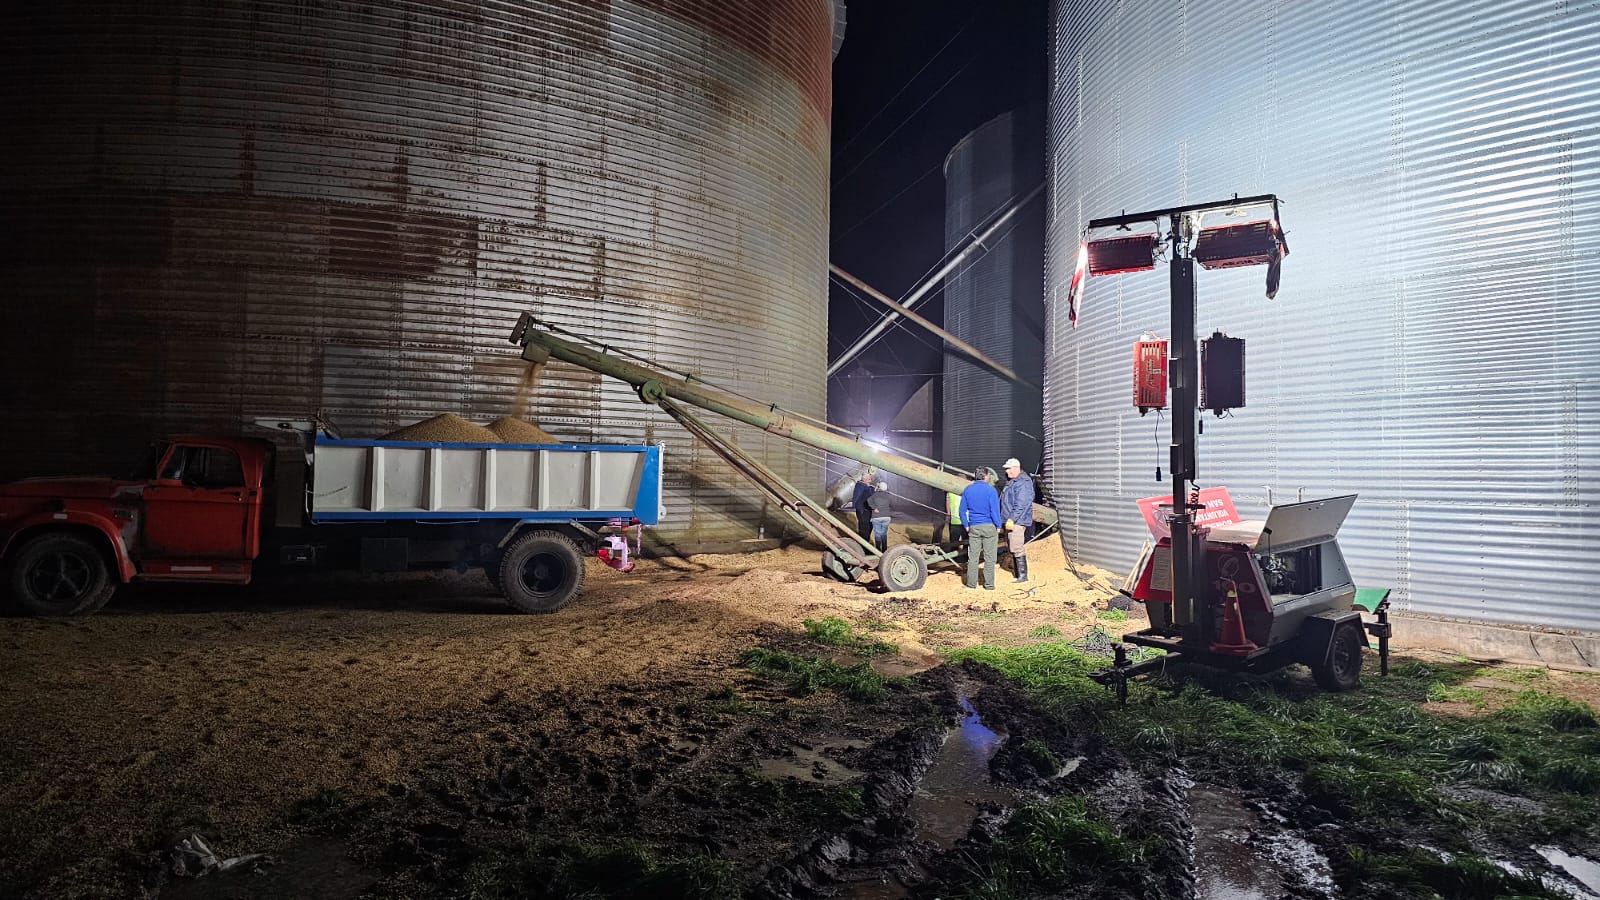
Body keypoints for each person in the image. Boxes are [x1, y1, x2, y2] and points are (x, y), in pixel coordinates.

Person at [958, 466, 1003, 591]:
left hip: (974, 527)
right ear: (986, 476)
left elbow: (961, 511)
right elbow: (995, 511)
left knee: (973, 557)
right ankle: (989, 585)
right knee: (990, 558)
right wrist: (998, 525)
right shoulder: (991, 491)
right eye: (989, 476)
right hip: (989, 527)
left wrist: (966, 525)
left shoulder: (968, 490)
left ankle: (971, 584)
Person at [1000, 457, 1035, 583]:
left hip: (1017, 521)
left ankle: (1023, 576)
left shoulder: (1023, 482)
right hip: (1012, 520)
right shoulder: (1014, 481)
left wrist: (1012, 519)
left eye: (1008, 469)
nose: (1006, 472)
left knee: (1017, 546)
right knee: (1012, 547)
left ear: (1016, 468)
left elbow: (1021, 504)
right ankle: (1017, 573)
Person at [866, 481, 893, 551]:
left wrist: (874, 508)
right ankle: (884, 549)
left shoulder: (875, 495)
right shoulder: (889, 495)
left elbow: (868, 500)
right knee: (883, 534)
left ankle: (878, 549)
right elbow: (892, 504)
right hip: (886, 516)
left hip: (876, 517)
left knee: (878, 534)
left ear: (879, 488)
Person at [851, 468, 877, 542]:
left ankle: (865, 542)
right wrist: (871, 489)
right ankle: (863, 545)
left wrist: (871, 488)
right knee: (864, 528)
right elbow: (868, 496)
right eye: (869, 479)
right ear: (865, 480)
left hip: (866, 510)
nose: (871, 481)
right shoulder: (860, 486)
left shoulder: (865, 487)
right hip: (863, 511)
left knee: (869, 526)